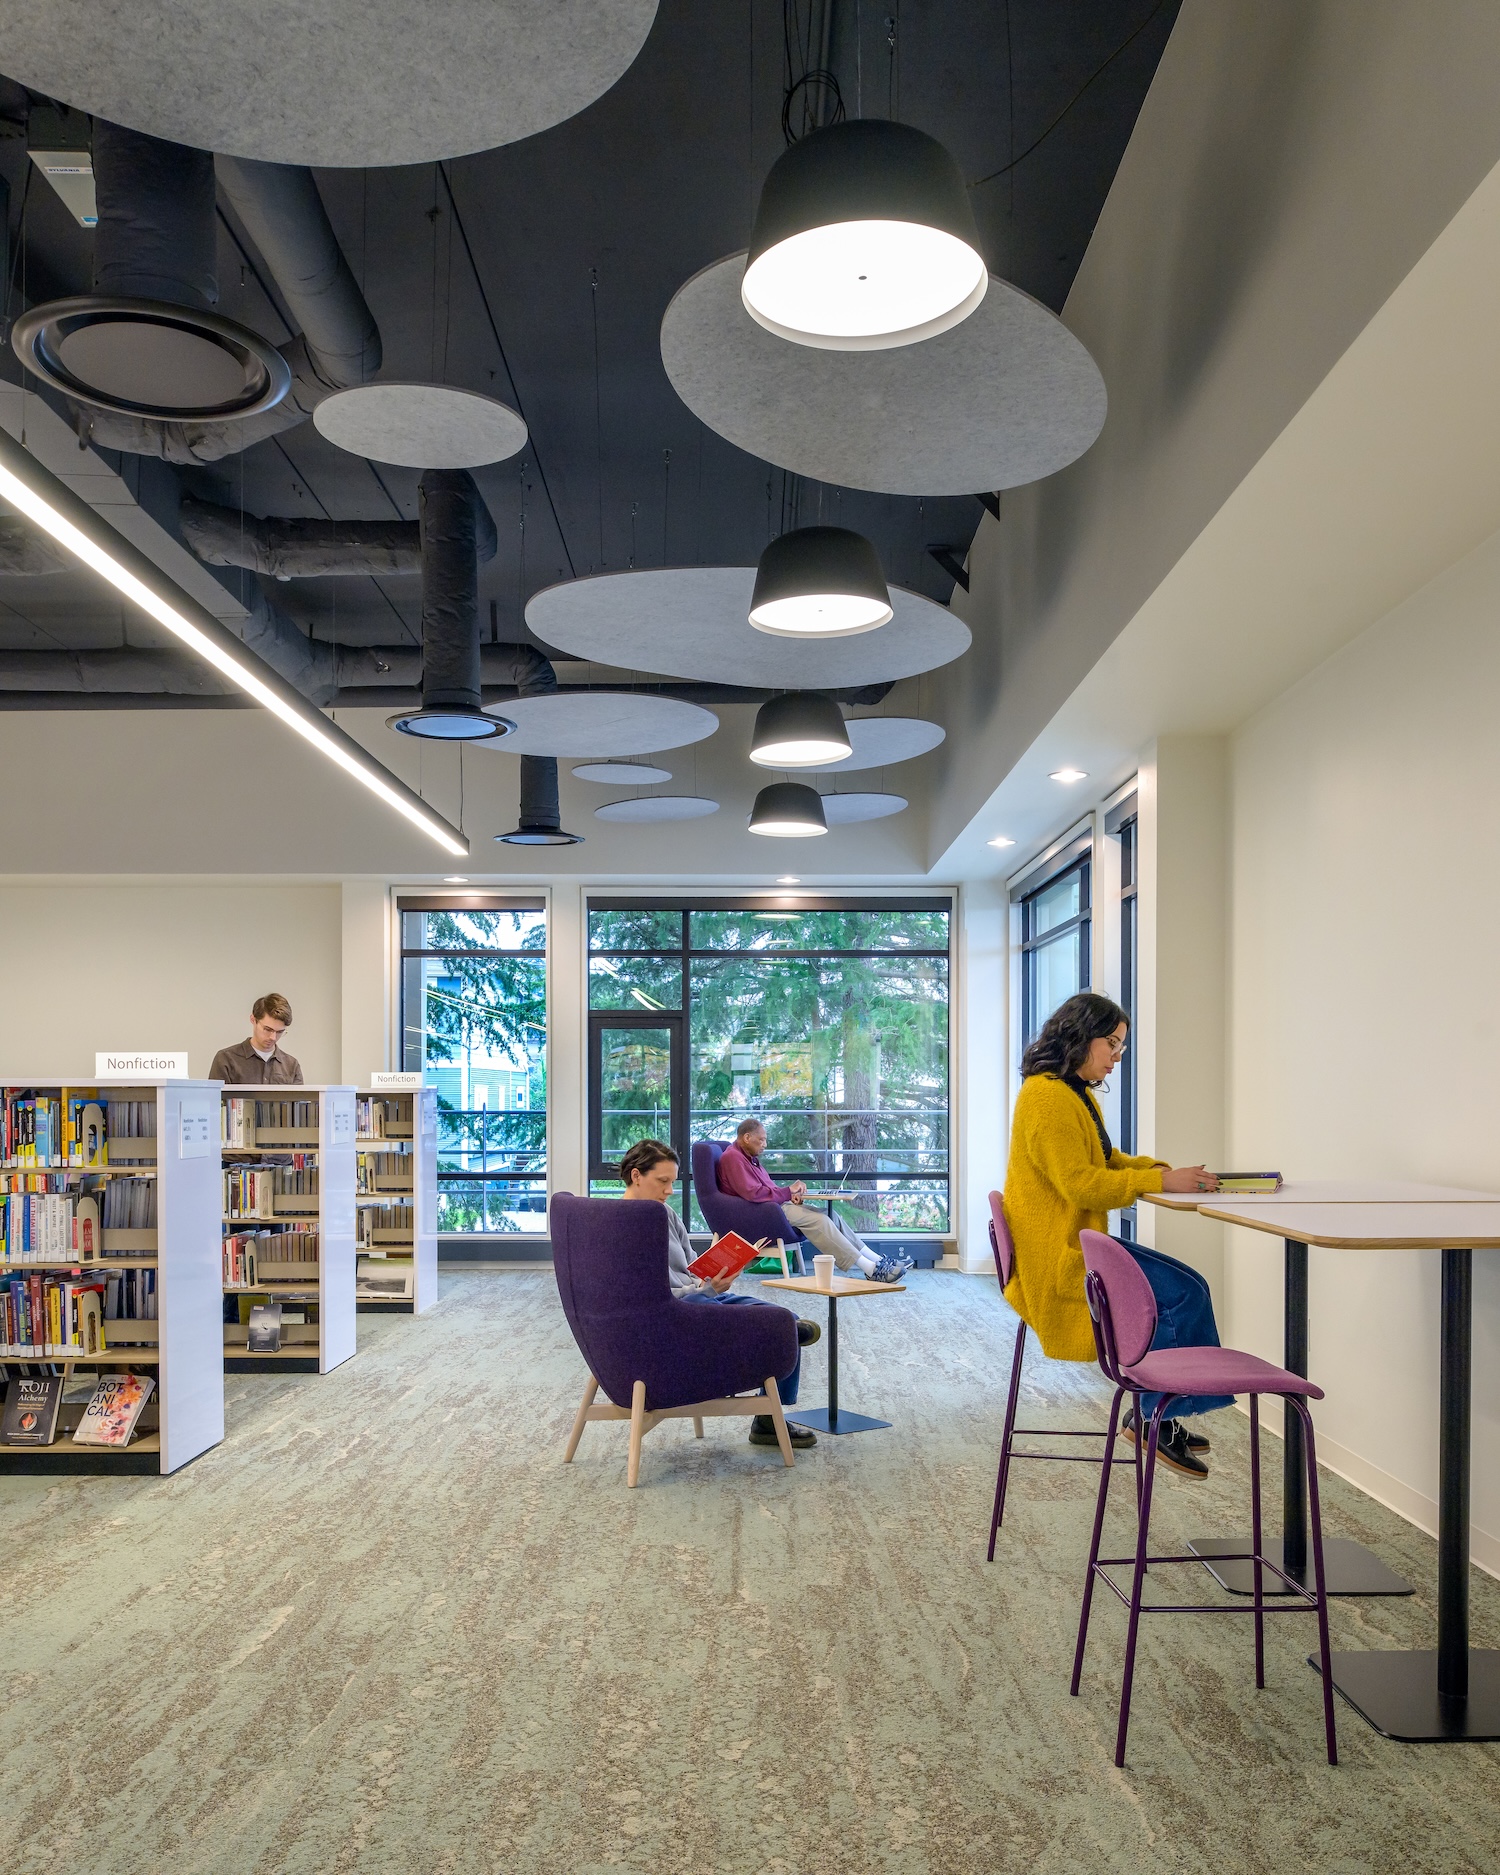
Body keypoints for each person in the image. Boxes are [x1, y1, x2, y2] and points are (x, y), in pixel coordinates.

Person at [1003, 991, 1231, 1481]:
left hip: (1079, 1245)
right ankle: (1157, 1418)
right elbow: (1080, 1183)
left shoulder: (1072, 1094)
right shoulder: (1047, 1098)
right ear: (1080, 1037)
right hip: (1060, 1257)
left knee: (1189, 1284)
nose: (1116, 1058)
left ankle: (1160, 1414)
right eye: (1112, 1044)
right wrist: (1158, 1181)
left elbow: (1105, 1161)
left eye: (1120, 1047)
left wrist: (1163, 1172)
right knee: (1178, 1294)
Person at [619, 1137, 820, 1450]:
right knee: (783, 1329)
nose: (669, 1191)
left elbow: (689, 1265)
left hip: (702, 1294)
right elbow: (660, 1297)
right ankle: (768, 1418)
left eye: (672, 1182)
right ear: (636, 1176)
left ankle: (768, 1414)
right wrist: (708, 1288)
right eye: (662, 1181)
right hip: (679, 1310)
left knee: (787, 1319)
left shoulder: (666, 1215)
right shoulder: (622, 1226)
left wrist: (717, 1270)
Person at [716, 1116, 912, 1283]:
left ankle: (877, 1260)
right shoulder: (733, 1158)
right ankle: (870, 1269)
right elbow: (753, 1194)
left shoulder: (748, 1157)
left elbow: (766, 1188)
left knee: (830, 1214)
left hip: (772, 1206)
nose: (765, 1145)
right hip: (760, 1212)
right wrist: (786, 1192)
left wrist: (790, 1194)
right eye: (762, 1140)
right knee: (820, 1221)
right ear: (747, 1137)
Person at [209, 993, 304, 1085]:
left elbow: (299, 1100)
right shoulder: (226, 1059)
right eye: (267, 1029)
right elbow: (213, 1099)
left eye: (279, 1032)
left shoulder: (292, 1065)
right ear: (253, 1020)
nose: (273, 1037)